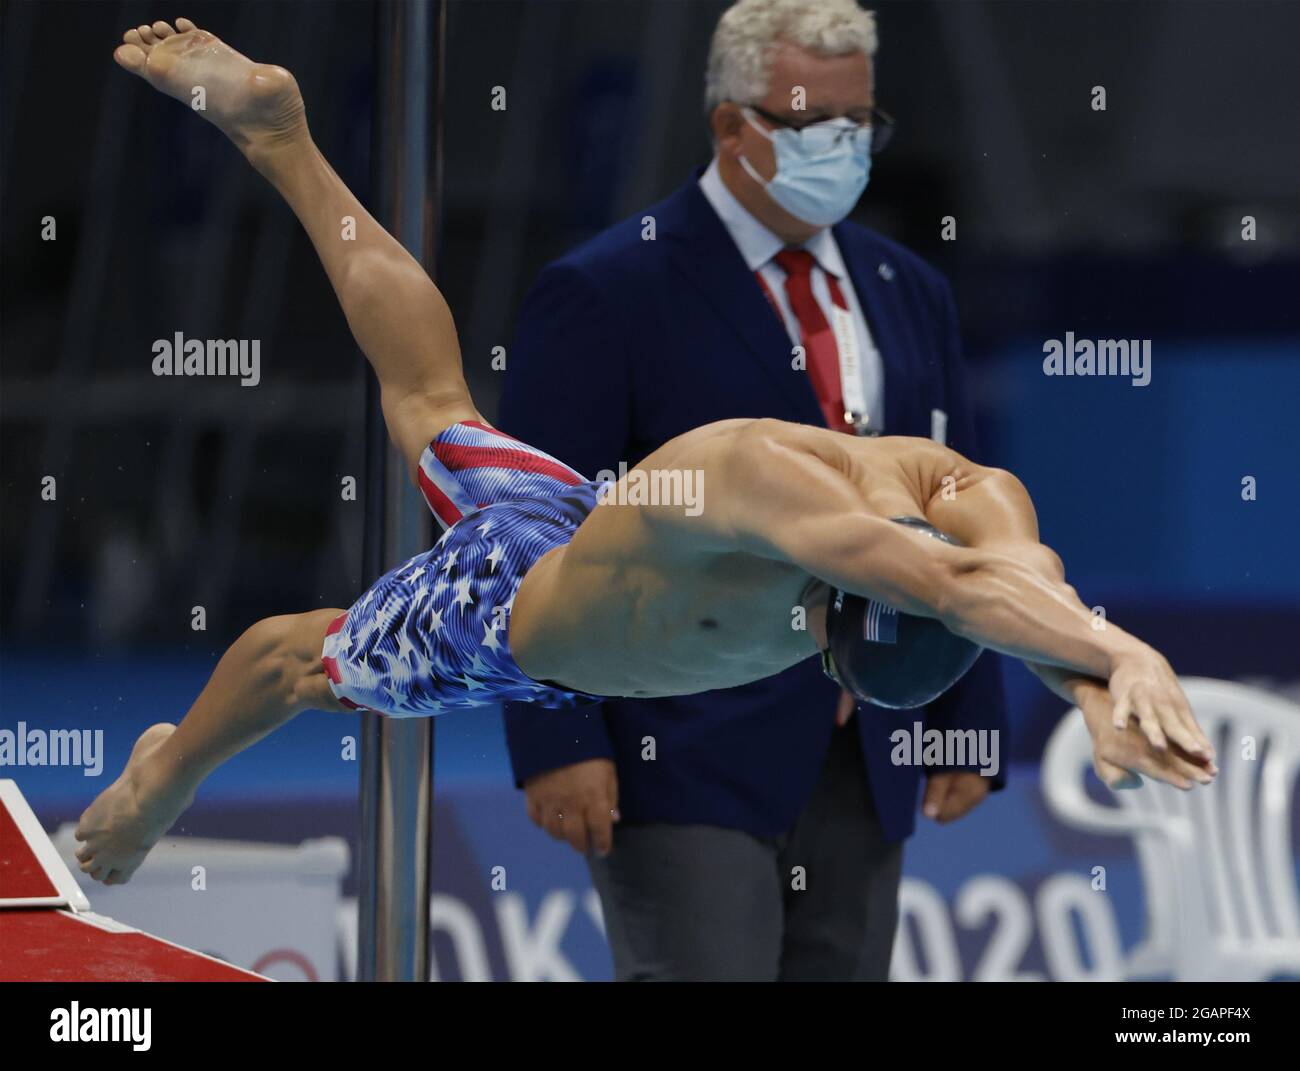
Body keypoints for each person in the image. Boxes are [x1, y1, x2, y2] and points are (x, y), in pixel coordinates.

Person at [75, 18, 1216, 890]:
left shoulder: (943, 486)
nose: (813, 652)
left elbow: (1008, 581)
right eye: (827, 645)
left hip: (594, 519)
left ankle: (284, 143)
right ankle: (154, 788)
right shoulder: (782, 496)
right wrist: (1121, 657)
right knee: (294, 662)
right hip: (513, 603)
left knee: (431, 399)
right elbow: (953, 584)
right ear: (837, 609)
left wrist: (1103, 676)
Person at [499, 0, 1002, 981]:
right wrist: (553, 732)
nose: (846, 150)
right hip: (680, 745)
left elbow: (961, 508)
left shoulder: (908, 291)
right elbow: (527, 530)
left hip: (870, 743)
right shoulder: (608, 290)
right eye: (818, 128)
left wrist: (965, 714)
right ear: (733, 128)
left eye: (861, 126)